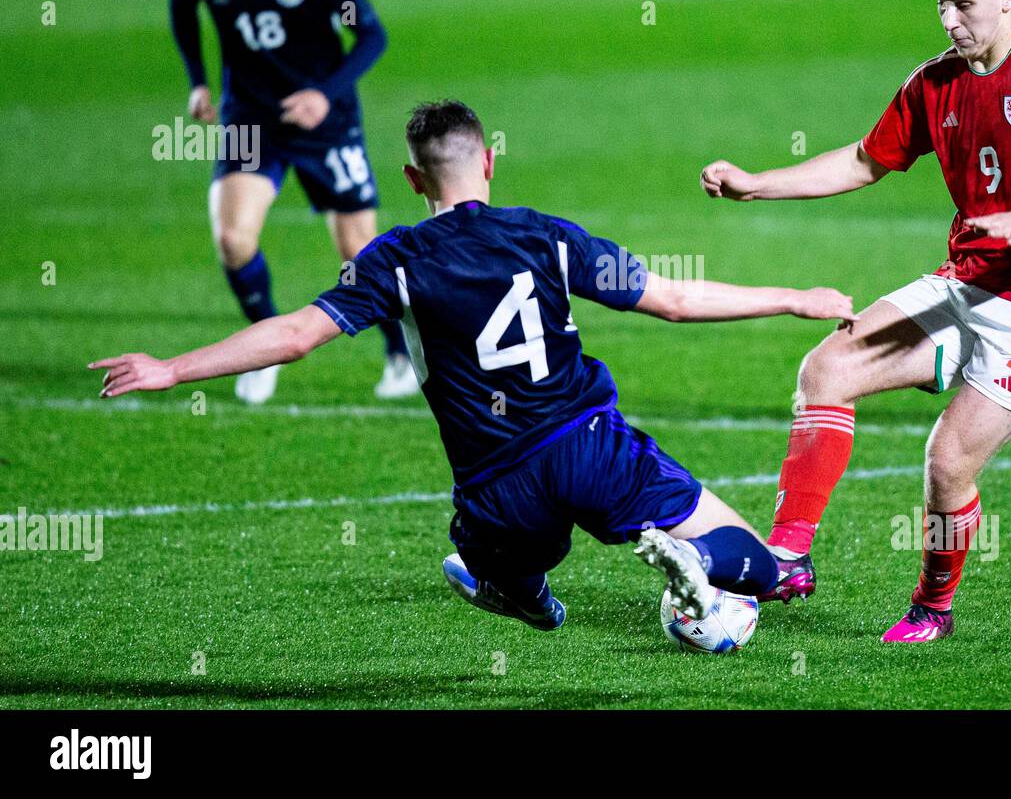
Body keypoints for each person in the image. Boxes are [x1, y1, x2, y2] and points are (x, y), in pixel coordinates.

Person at [91, 100, 857, 632]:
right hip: (591, 448)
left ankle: (528, 596)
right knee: (767, 568)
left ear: (414, 179)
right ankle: (696, 558)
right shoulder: (544, 235)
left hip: (497, 487)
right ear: (489, 162)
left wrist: (172, 367)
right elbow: (676, 302)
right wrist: (793, 297)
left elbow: (293, 335)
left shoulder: (394, 257)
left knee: (495, 573)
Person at [699, 0, 1011, 642]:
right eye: (940, 5)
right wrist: (757, 185)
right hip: (965, 281)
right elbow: (866, 161)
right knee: (826, 367)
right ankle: (789, 555)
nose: (950, 19)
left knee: (946, 463)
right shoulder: (936, 82)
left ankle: (933, 606)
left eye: (963, 3)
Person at [169, 0, 415, 403]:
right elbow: (184, 13)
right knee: (233, 239)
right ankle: (264, 345)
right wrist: (198, 82)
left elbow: (370, 33)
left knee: (359, 255)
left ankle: (400, 354)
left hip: (326, 124)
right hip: (251, 118)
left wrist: (322, 95)